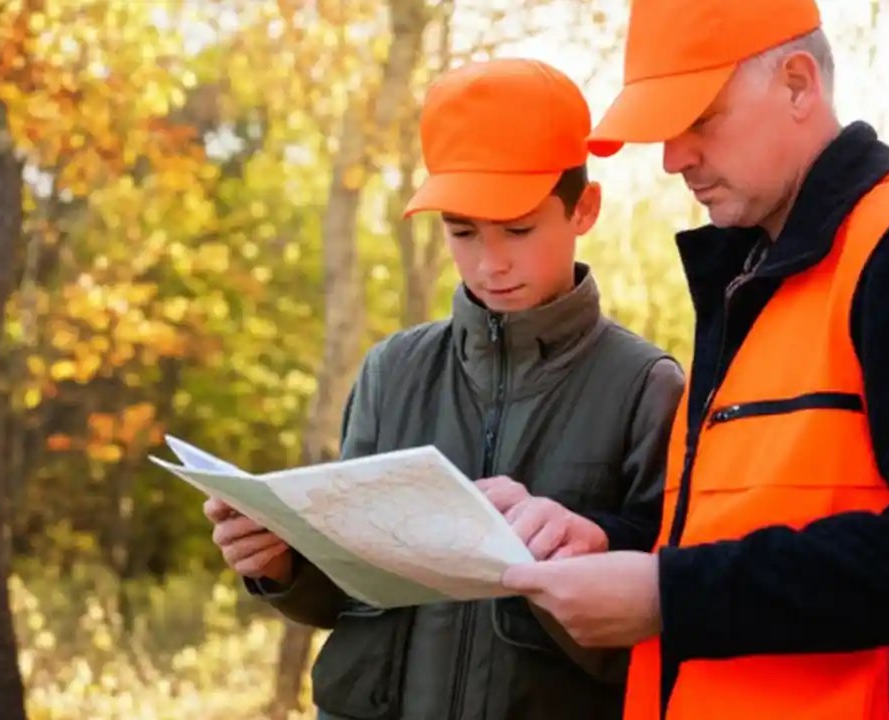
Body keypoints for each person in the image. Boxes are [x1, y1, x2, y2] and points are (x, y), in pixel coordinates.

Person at [501, 2, 889, 719]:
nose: (674, 159)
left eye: (698, 119)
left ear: (798, 84)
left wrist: (672, 595)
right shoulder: (753, 280)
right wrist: (613, 542)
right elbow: (753, 527)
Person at [204, 57, 685, 720]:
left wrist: (594, 543)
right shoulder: (390, 371)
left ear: (586, 210)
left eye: (518, 229)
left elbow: (671, 609)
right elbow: (350, 584)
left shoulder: (648, 388)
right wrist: (283, 566)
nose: (491, 262)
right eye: (462, 232)